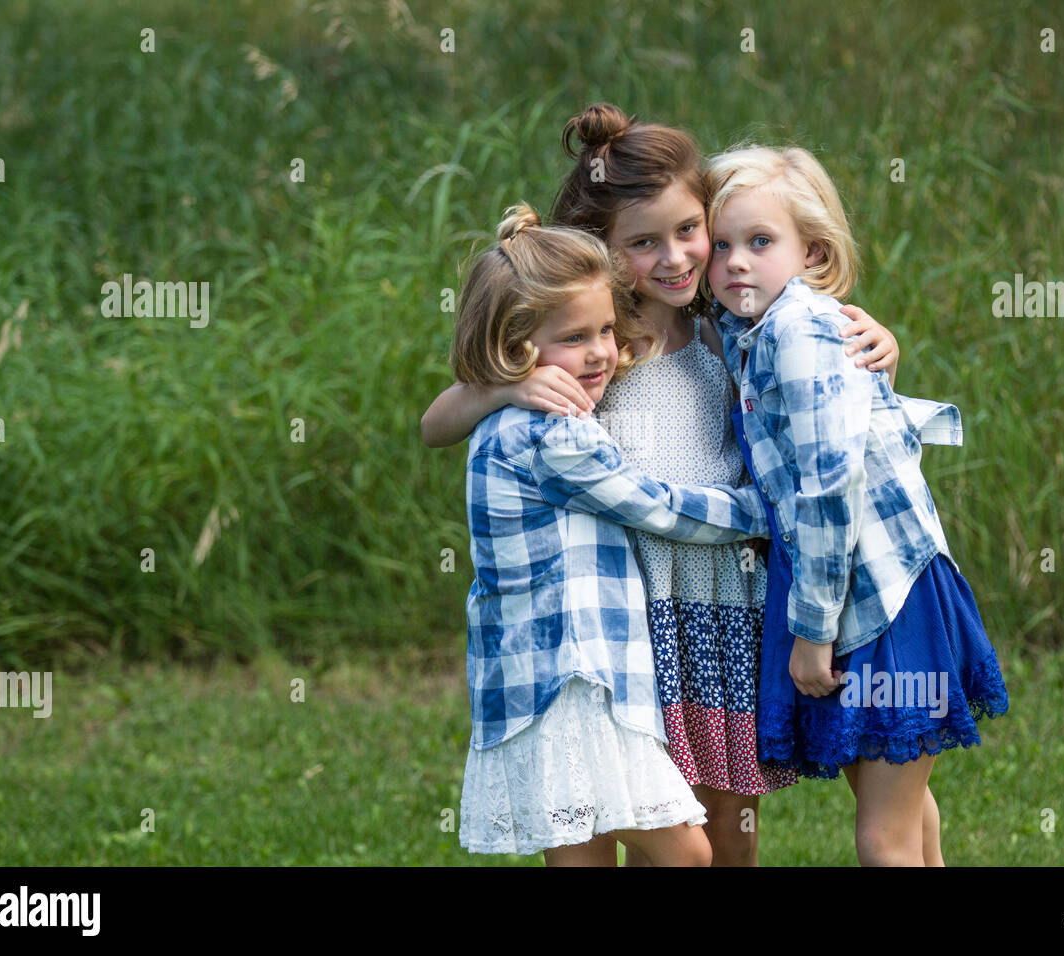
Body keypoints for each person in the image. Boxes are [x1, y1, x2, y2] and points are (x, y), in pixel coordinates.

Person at [423, 104, 902, 866]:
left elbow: (817, 371)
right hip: (637, 622)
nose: (676, 256)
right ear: (604, 252)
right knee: (656, 827)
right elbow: (438, 421)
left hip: (728, 608)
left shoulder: (728, 329)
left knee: (728, 834)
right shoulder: (592, 347)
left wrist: (877, 339)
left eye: (689, 230)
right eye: (643, 243)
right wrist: (502, 390)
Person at [706, 144, 1009, 866]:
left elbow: (830, 486)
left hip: (879, 595)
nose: (736, 262)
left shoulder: (798, 331)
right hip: (863, 586)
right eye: (720, 245)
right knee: (903, 808)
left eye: (759, 242)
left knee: (884, 832)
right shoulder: (753, 329)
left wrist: (811, 632)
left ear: (812, 251)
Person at [452, 202, 775, 866]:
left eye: (606, 329)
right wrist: (763, 509)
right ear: (517, 349)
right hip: (578, 683)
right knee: (689, 855)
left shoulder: (499, 424)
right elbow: (657, 508)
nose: (602, 351)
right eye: (577, 338)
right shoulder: (555, 434)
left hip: (525, 683)